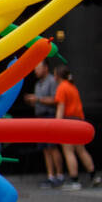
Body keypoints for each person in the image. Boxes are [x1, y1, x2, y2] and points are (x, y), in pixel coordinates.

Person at [54, 65, 100, 190]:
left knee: (68, 151)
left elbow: (61, 108)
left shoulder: (62, 88)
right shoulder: (72, 87)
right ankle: (93, 175)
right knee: (81, 150)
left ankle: (74, 180)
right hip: (79, 121)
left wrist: (56, 125)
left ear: (57, 76)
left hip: (68, 122)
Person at [24, 58, 65, 187]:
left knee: (52, 147)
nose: (36, 70)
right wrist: (33, 101)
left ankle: (60, 175)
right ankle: (50, 176)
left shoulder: (52, 81)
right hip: (40, 117)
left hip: (50, 116)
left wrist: (38, 99)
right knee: (45, 149)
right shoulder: (37, 84)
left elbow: (55, 100)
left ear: (46, 68)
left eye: (38, 68)